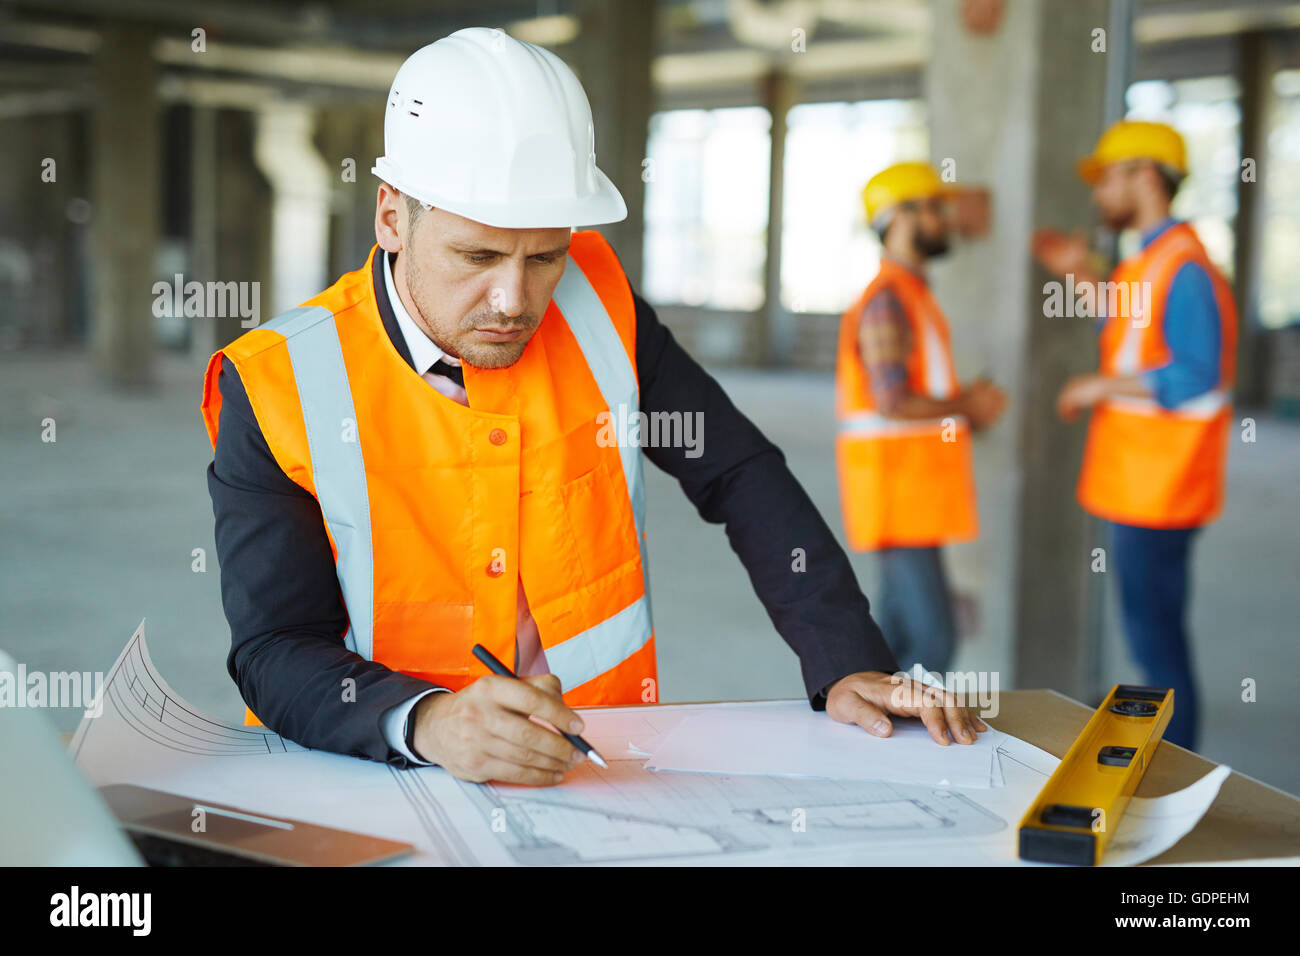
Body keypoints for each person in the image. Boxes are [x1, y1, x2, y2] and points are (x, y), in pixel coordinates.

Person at [201, 29, 986, 787]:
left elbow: (738, 471)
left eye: (544, 256)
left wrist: (845, 656)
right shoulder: (280, 383)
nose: (514, 301)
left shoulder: (600, 306)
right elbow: (276, 645)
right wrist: (427, 722)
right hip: (376, 780)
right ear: (390, 217)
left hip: (601, 770)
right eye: (476, 256)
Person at [1032, 120, 1237, 750]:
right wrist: (1077, 274)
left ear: (1146, 177)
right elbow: (1128, 327)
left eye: (1108, 178)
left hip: (1162, 484)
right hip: (1141, 481)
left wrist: (1095, 387)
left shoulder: (1185, 267)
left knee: (1156, 640)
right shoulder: (1150, 260)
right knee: (1152, 630)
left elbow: (1196, 373)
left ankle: (1185, 768)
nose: (1099, 195)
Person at [835, 162, 1007, 675]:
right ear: (898, 218)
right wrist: (967, 406)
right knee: (934, 645)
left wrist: (964, 404)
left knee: (896, 640)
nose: (944, 219)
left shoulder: (912, 295)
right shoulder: (889, 300)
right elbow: (893, 400)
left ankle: (871, 741)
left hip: (914, 494)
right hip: (900, 494)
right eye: (932, 208)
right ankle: (901, 741)